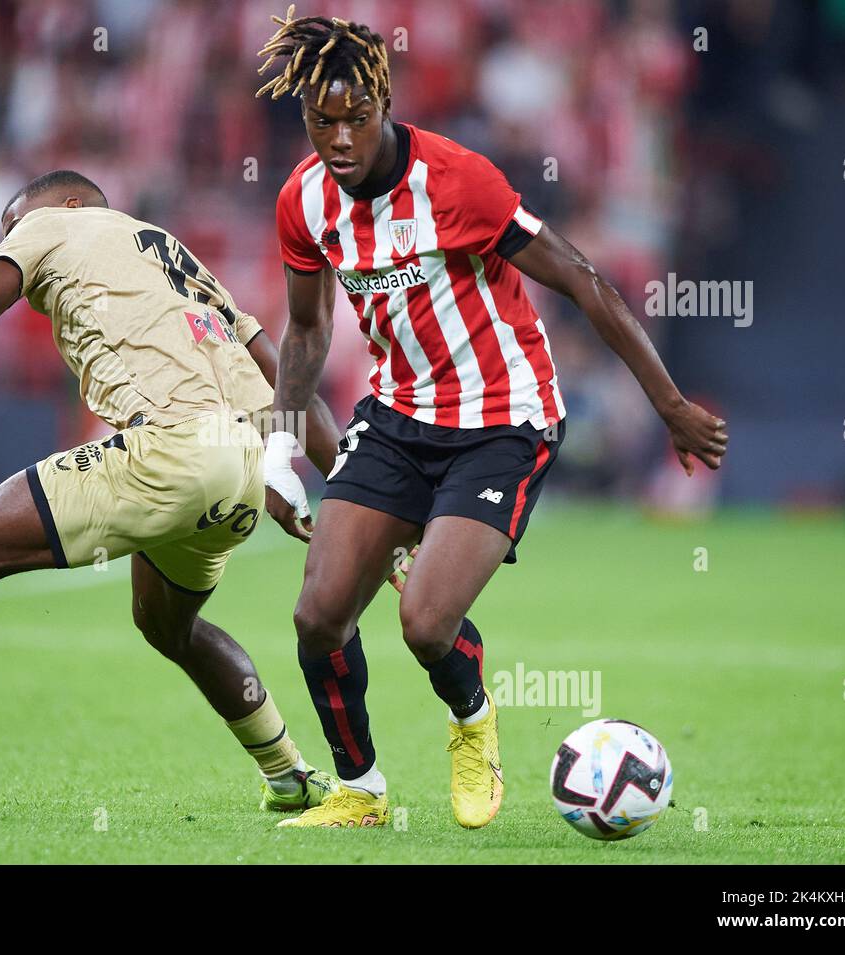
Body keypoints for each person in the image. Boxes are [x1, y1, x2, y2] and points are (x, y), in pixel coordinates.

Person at [254, 7, 728, 828]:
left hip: (504, 420)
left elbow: (583, 279)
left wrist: (671, 406)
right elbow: (303, 329)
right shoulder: (304, 201)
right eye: (319, 121)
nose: (337, 139)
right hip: (398, 415)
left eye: (354, 119)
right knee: (318, 614)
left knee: (425, 622)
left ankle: (472, 719)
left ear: (385, 104)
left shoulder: (456, 180)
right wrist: (277, 450)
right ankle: (359, 791)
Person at [0, 169, 341, 816]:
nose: (8, 242)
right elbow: (292, 383)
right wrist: (349, 492)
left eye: (13, 225)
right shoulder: (177, 260)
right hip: (241, 467)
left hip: (174, 452)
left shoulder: (53, 225)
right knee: (166, 622)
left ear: (68, 204)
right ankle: (289, 772)